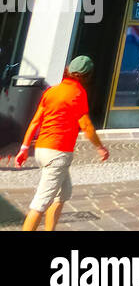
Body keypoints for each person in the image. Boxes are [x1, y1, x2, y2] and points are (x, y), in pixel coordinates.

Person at [14, 56, 109, 231]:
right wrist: (100, 147)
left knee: (62, 194)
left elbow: (35, 122)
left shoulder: (51, 91)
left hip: (42, 150)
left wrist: (24, 148)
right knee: (40, 204)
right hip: (58, 153)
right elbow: (86, 125)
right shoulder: (78, 93)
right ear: (88, 75)